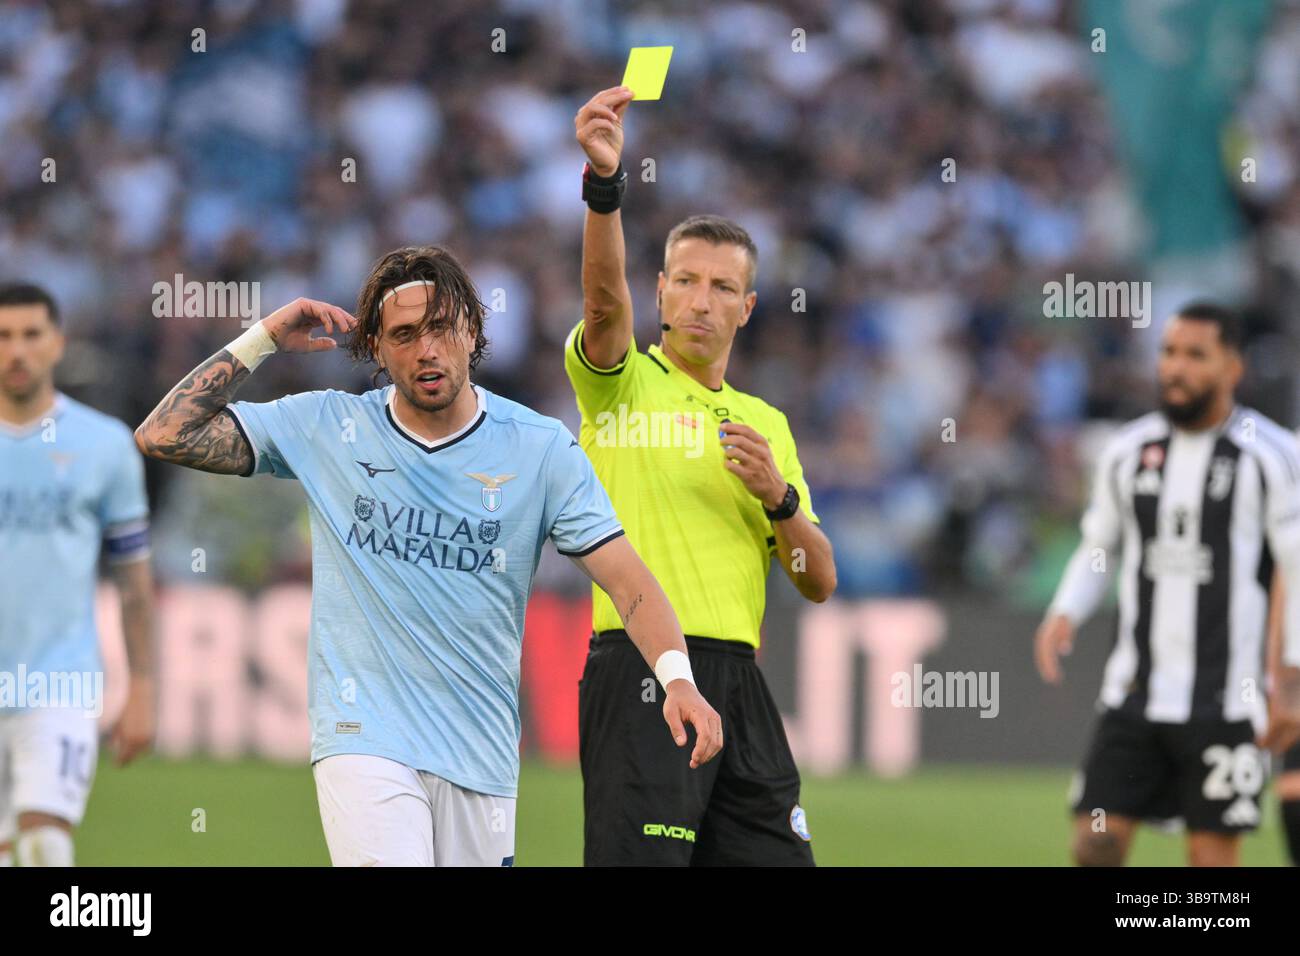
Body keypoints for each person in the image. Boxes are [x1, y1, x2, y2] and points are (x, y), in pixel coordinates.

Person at [134, 246, 723, 866]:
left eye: (441, 327)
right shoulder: (330, 428)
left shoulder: (540, 449)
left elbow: (627, 581)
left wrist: (678, 680)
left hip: (482, 754)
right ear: (378, 350)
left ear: (471, 329)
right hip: (364, 738)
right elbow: (164, 433)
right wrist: (265, 337)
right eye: (404, 334)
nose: (426, 348)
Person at [568, 87, 837, 866]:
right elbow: (599, 297)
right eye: (685, 281)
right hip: (641, 668)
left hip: (739, 682)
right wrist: (605, 188)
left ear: (748, 308)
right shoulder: (620, 383)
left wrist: (779, 500)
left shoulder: (766, 425)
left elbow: (815, 579)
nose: (701, 302)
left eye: (722, 288)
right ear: (658, 291)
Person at [1036, 302, 1300, 866]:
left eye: (1195, 356)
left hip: (1228, 702)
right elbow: (1099, 544)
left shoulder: (1271, 455)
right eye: (1169, 353)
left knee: (1210, 863)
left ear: (1233, 367)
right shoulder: (1127, 452)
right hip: (1134, 694)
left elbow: (1296, 569)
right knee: (1095, 845)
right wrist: (1066, 610)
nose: (1176, 368)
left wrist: (1291, 679)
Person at [0, 282, 155, 867]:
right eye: (3, 336)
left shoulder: (105, 445)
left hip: (59, 684)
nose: (17, 351)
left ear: (57, 343)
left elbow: (134, 583)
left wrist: (143, 688)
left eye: (30, 335)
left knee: (43, 841)